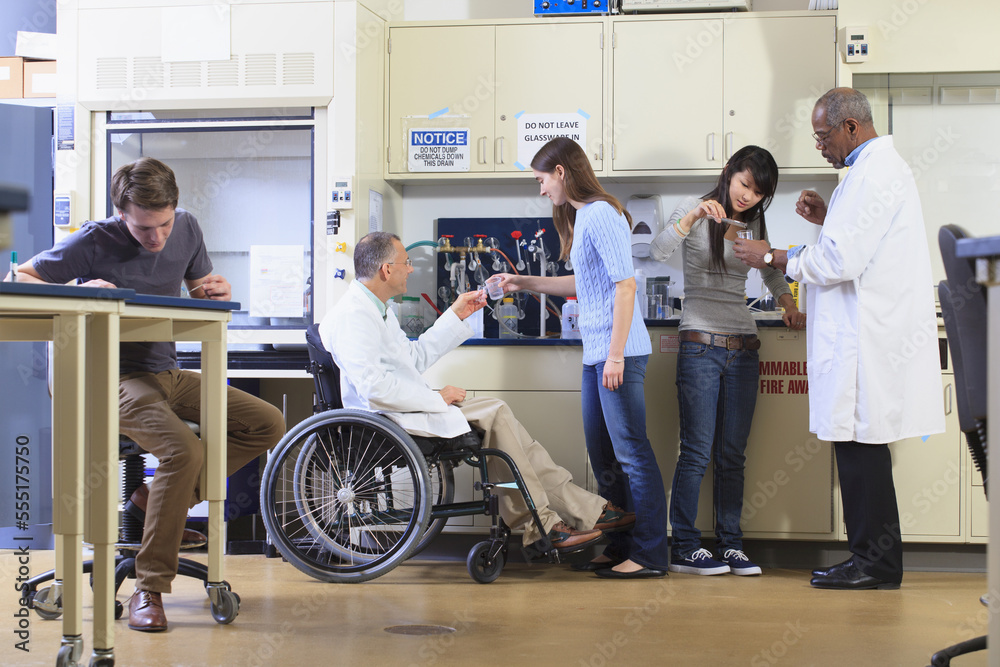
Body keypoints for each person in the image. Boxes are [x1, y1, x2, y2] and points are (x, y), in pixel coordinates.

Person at [10, 158, 285, 630]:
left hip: (167, 371)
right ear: (122, 214)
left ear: (175, 209)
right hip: (107, 375)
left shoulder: (189, 229)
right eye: (143, 228)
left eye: (163, 223)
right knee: (183, 450)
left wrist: (213, 290)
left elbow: (200, 288)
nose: (156, 237)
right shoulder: (95, 238)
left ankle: (152, 500)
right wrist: (80, 292)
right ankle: (150, 586)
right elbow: (20, 278)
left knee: (268, 422)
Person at [734, 87, 945, 590]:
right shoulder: (871, 171)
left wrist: (772, 256)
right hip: (864, 338)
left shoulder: (873, 172)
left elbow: (839, 262)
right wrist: (828, 219)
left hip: (865, 342)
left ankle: (873, 565)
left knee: (860, 455)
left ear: (851, 128)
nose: (819, 145)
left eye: (823, 135)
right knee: (860, 454)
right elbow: (857, 243)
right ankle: (873, 561)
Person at [320, 232, 635, 559]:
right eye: (406, 263)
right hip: (388, 419)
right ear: (387, 270)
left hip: (406, 409)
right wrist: (437, 398)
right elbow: (374, 388)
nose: (411, 270)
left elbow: (411, 359)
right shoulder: (352, 317)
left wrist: (456, 314)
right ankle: (544, 524)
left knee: (500, 415)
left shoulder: (377, 310)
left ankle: (573, 515)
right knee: (497, 415)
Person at [498, 137, 670, 579]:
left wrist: (615, 357)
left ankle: (650, 555)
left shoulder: (601, 214)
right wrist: (525, 282)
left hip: (619, 354)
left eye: (541, 179)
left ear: (560, 172)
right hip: (598, 355)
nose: (540, 190)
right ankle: (619, 547)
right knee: (604, 455)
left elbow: (624, 285)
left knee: (632, 453)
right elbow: (586, 283)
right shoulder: (584, 217)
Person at [648, 146, 806, 577]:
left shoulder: (753, 220)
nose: (748, 197)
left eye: (758, 192)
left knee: (732, 455)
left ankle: (731, 545)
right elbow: (658, 251)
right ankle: (684, 545)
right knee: (696, 450)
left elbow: (772, 270)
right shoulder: (693, 208)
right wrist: (694, 217)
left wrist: (787, 304)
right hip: (699, 341)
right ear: (728, 173)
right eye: (744, 185)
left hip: (744, 346)